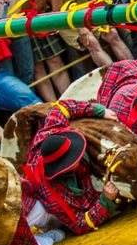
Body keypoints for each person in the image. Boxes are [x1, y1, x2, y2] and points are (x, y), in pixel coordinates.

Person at [20, 100, 121, 236]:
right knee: (53, 222)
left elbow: (60, 108)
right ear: (62, 168)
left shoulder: (52, 131)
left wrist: (99, 110)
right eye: (72, 159)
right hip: (48, 214)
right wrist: (105, 201)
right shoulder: (52, 192)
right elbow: (78, 225)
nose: (77, 157)